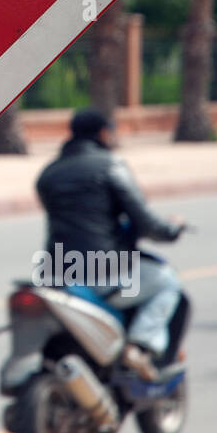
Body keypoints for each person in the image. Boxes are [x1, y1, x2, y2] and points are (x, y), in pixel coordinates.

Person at [35, 109, 187, 381]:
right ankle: (140, 345)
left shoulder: (49, 174)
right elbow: (146, 223)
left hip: (57, 274)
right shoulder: (111, 165)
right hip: (105, 275)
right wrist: (172, 229)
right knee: (167, 280)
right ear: (104, 133)